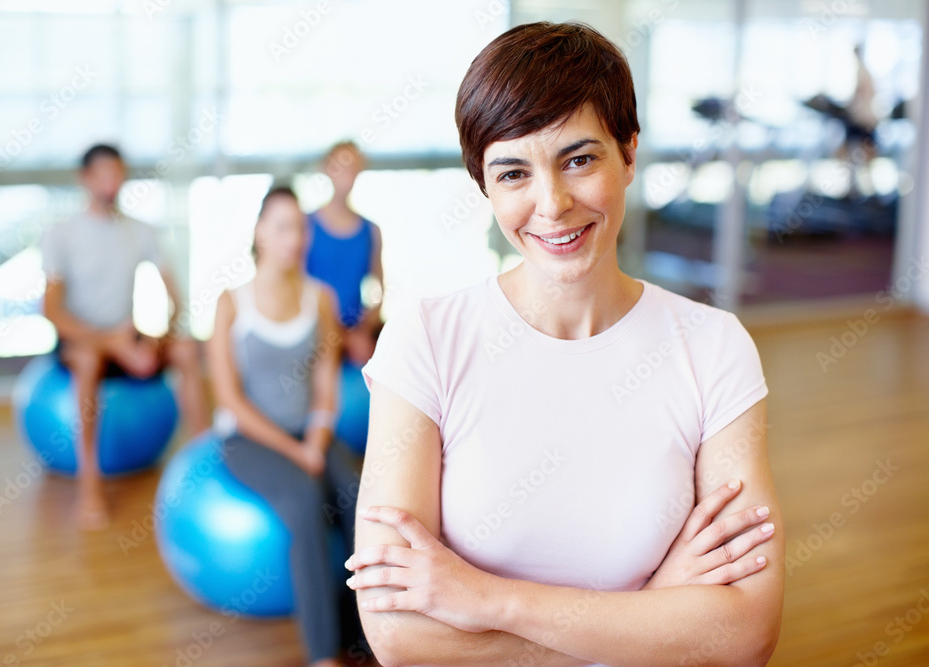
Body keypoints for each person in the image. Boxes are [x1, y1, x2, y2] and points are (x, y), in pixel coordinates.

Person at [345, 22, 784, 667]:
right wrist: (655, 610)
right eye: (513, 172)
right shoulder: (426, 340)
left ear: (629, 153)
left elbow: (746, 631)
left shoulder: (713, 347)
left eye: (579, 159)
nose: (551, 204)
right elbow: (399, 635)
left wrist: (486, 601)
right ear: (484, 185)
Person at [206, 186, 362, 667]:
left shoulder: (321, 298)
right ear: (259, 233)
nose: (293, 237)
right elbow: (229, 397)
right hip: (249, 438)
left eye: (299, 226)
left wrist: (315, 440)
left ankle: (367, 632)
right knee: (303, 499)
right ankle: (322, 653)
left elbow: (325, 383)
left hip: (307, 432)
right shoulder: (232, 302)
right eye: (281, 227)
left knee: (359, 492)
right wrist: (298, 454)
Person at [41, 144, 209, 531]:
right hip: (82, 342)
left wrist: (157, 338)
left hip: (127, 337)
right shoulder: (62, 234)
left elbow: (175, 297)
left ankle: (204, 460)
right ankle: (89, 487)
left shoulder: (139, 230)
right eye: (101, 174)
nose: (111, 182)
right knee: (88, 360)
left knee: (185, 349)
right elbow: (53, 312)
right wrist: (112, 342)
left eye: (117, 173)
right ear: (84, 179)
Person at [306, 141, 384, 366]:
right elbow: (297, 288)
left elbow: (377, 289)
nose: (346, 173)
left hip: (356, 348)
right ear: (327, 168)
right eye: (340, 165)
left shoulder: (371, 231)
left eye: (352, 167)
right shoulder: (305, 227)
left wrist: (363, 330)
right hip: (313, 343)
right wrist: (343, 338)